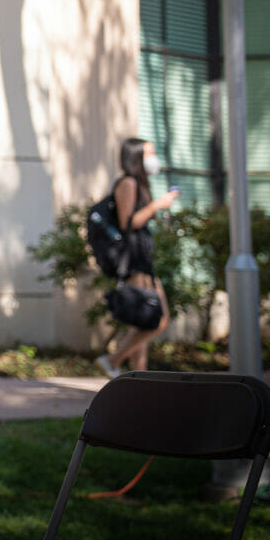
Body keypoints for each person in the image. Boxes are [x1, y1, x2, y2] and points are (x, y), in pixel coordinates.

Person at [95, 138, 179, 378]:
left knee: (142, 322)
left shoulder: (139, 185)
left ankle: (138, 380)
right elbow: (127, 223)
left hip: (142, 261)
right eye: (149, 153)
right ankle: (113, 361)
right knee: (158, 319)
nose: (153, 158)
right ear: (136, 157)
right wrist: (156, 206)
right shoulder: (128, 183)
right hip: (133, 262)